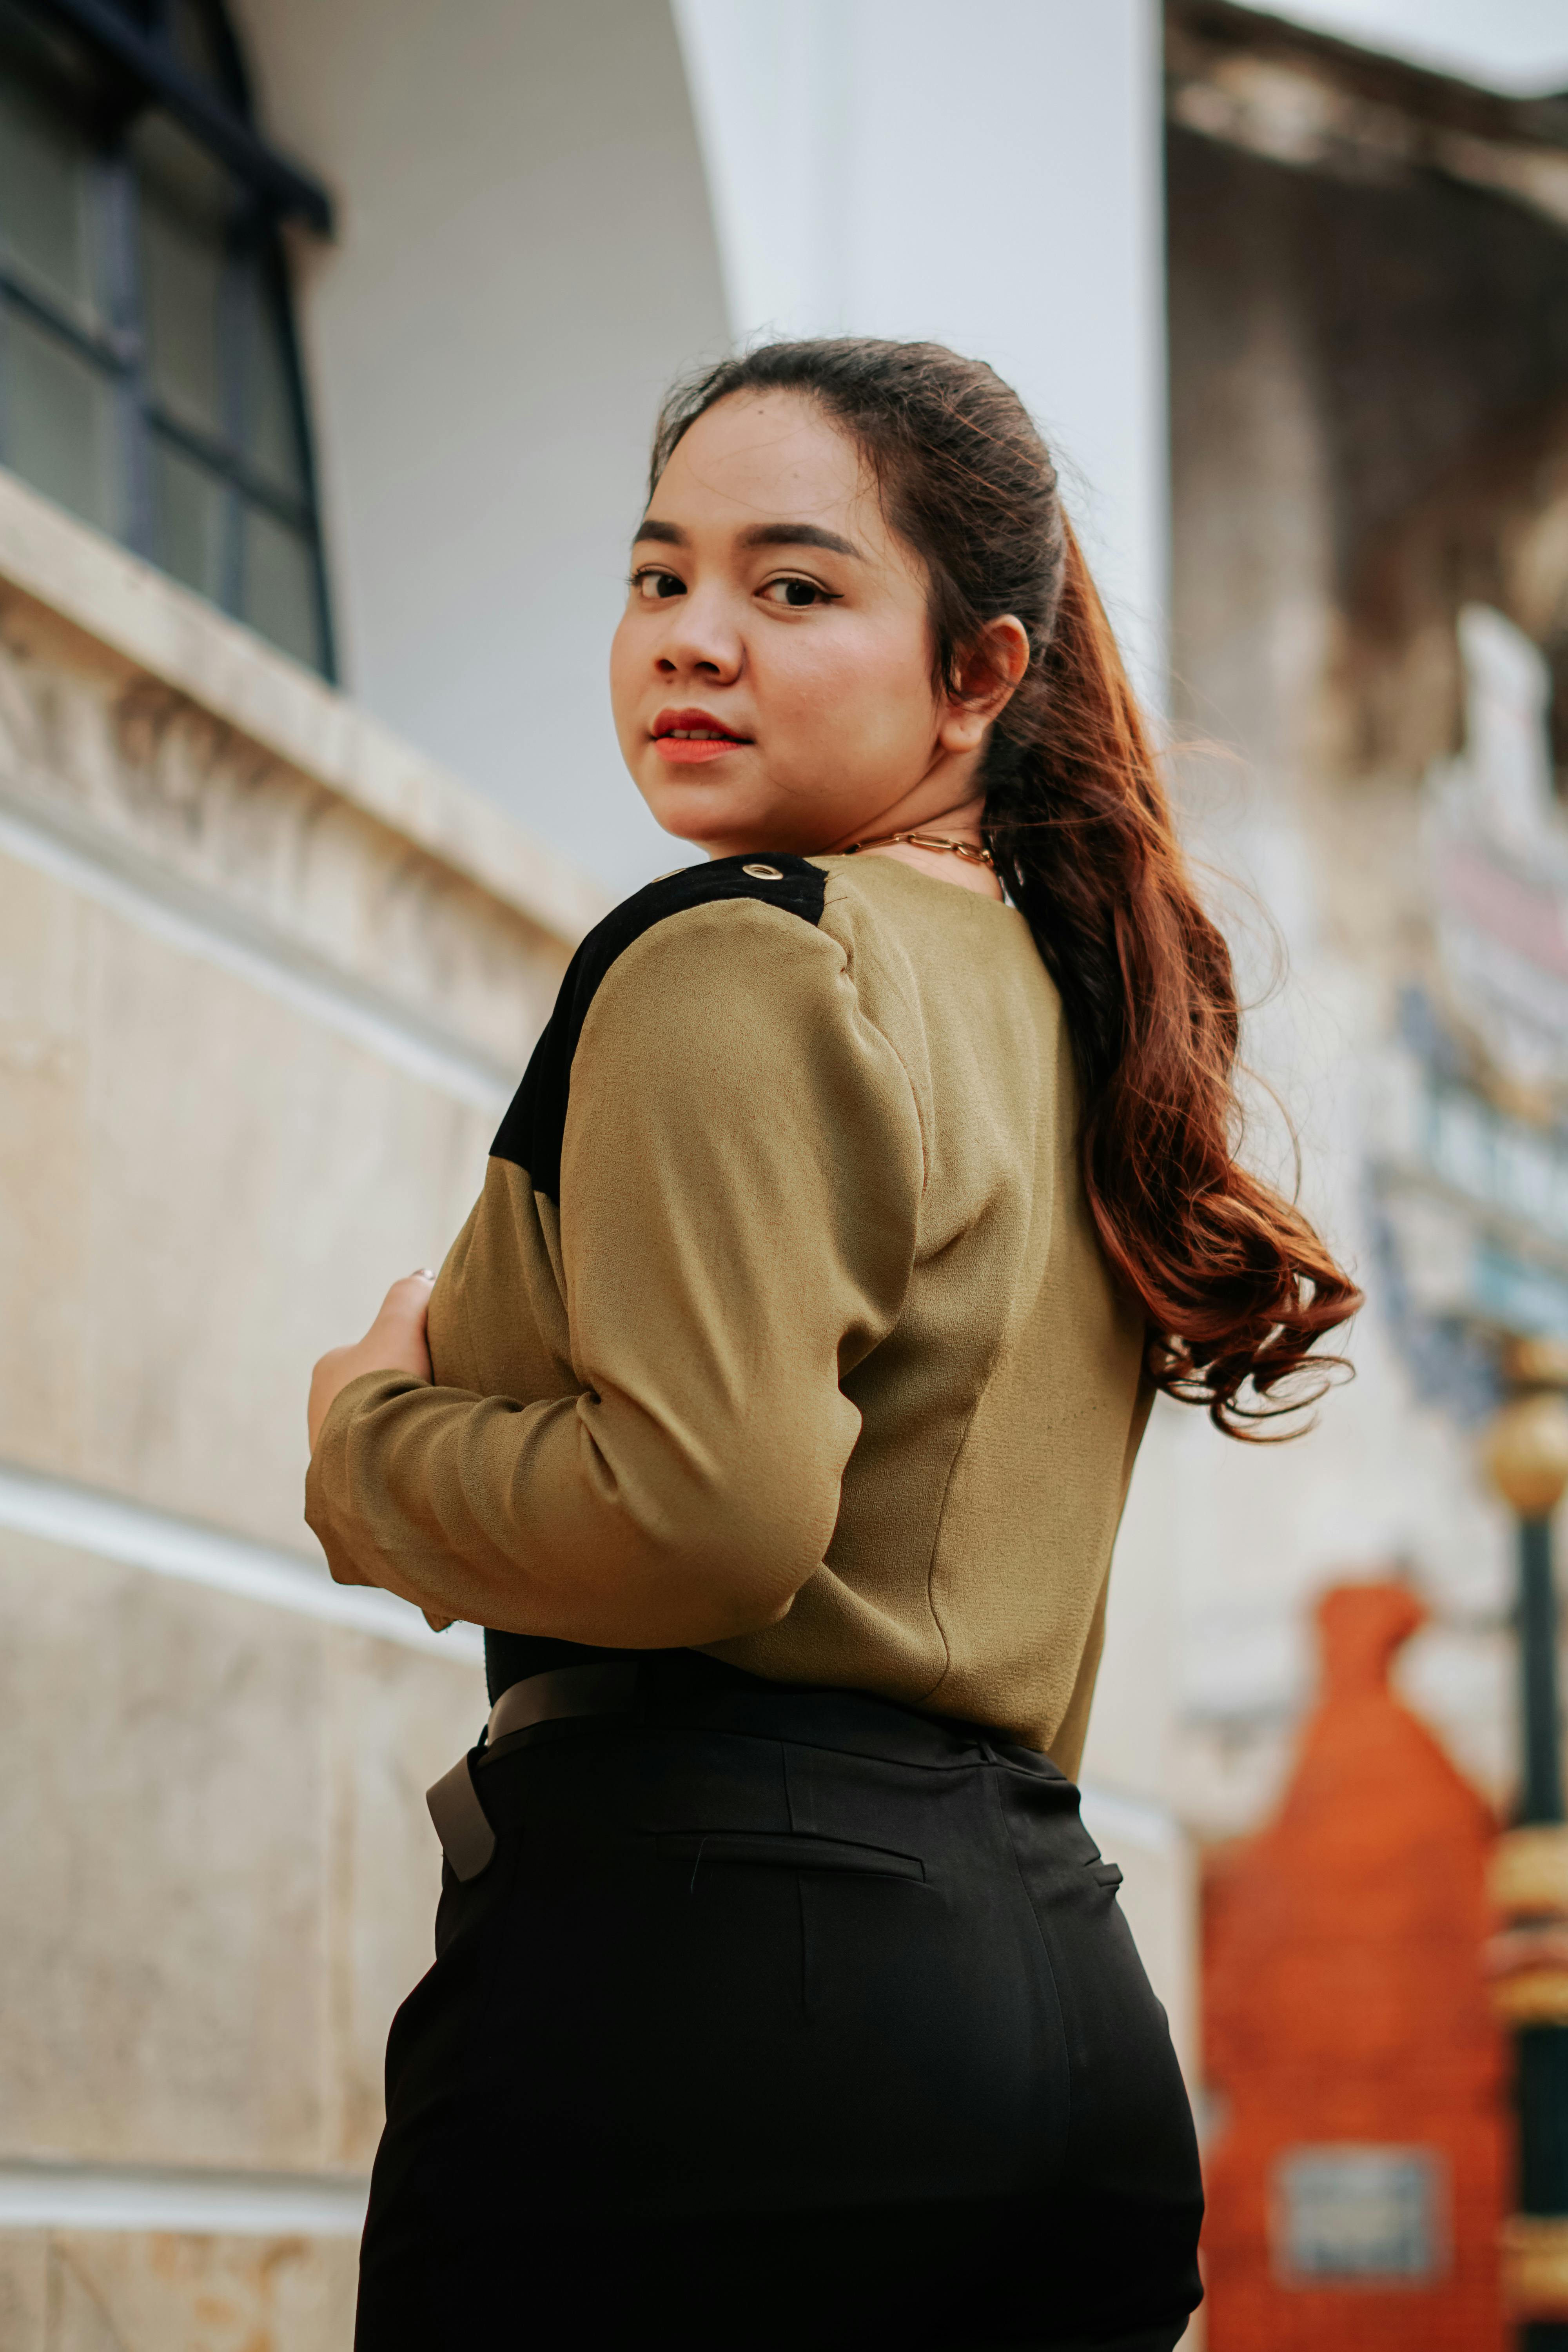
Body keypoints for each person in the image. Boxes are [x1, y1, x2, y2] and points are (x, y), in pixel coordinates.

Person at [305, 339, 1360, 2349]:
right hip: (1059, 2018)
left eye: (792, 588)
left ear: (979, 672)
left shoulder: (737, 957)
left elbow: (704, 1519)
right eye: (655, 576)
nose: (693, 641)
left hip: (707, 2016)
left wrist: (367, 1442)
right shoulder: (1077, 1021)